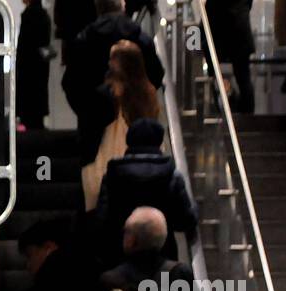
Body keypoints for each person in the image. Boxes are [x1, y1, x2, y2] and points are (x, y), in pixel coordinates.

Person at [95, 118, 198, 262]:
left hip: (120, 258)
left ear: (129, 141)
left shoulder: (112, 176)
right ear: (160, 142)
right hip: (163, 258)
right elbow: (185, 221)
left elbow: (101, 222)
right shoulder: (172, 176)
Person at [79, 40, 161, 210]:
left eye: (113, 59)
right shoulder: (149, 92)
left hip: (113, 154)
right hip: (146, 157)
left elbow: (92, 127)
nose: (109, 63)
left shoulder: (109, 92)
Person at [62, 0, 164, 122]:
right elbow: (156, 74)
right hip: (133, 117)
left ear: (98, 8)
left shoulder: (84, 40)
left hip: (95, 121)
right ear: (123, 6)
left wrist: (86, 112)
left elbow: (70, 83)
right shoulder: (139, 37)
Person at [206, 0, 256, 113]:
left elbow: (212, 7)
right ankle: (247, 117)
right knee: (243, 78)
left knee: (217, 75)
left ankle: (222, 111)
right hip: (241, 32)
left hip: (226, 33)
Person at [17, 0, 55, 130]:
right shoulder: (43, 15)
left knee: (29, 98)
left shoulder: (29, 15)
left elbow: (24, 46)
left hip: (28, 65)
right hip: (39, 65)